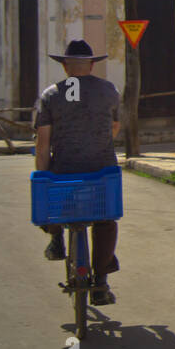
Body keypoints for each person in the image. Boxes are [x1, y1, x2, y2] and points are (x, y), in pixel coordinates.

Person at [33, 39, 122, 305]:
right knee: (106, 219)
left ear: (65, 67)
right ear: (92, 65)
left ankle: (56, 236)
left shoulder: (50, 95)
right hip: (102, 170)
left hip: (65, 171)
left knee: (50, 196)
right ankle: (101, 282)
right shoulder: (109, 91)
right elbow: (115, 127)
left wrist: (44, 173)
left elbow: (42, 144)